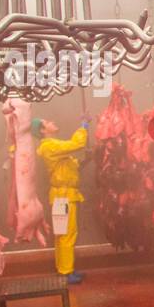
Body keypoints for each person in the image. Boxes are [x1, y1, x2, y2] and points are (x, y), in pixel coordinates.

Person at [34, 117, 89, 284]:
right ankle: (66, 272)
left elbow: (70, 166)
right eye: (48, 122)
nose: (52, 122)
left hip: (60, 197)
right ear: (43, 130)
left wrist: (86, 161)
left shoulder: (52, 147)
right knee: (67, 234)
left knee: (61, 235)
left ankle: (63, 269)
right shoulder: (49, 146)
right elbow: (75, 144)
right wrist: (83, 127)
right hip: (64, 197)